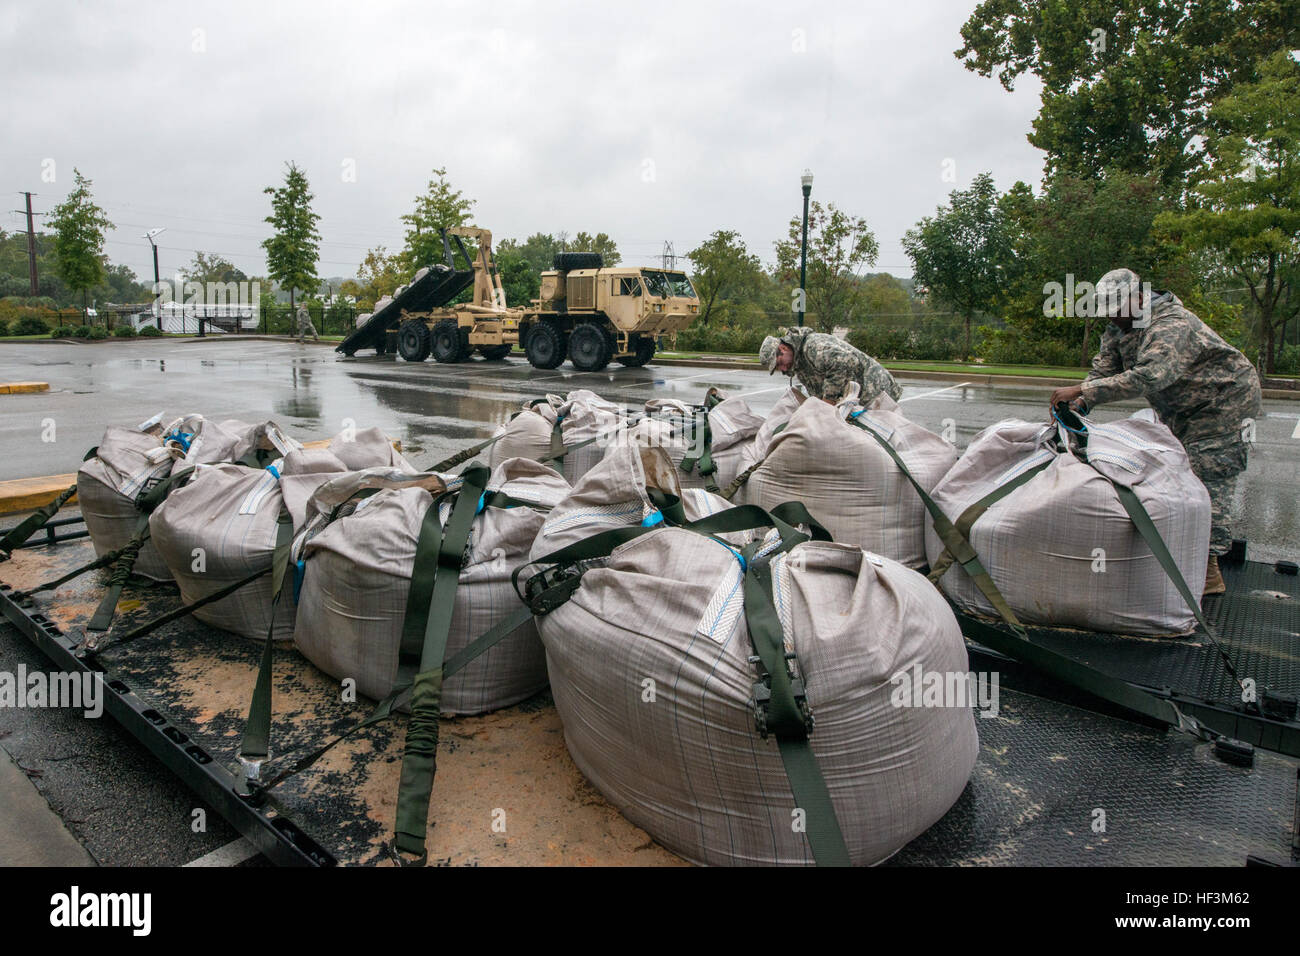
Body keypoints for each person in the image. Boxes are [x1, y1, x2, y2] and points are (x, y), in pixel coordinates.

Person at [1048, 268, 1262, 595]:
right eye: (1108, 309)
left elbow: (1150, 376)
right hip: (1181, 405)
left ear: (1139, 297)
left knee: (1209, 473)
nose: (1113, 315)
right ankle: (1183, 550)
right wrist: (1079, 404)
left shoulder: (1171, 323)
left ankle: (1208, 572)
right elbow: (1103, 371)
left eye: (1118, 307)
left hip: (1224, 400)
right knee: (1179, 469)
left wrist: (1082, 390)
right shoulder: (1118, 328)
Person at [759, 326, 901, 405]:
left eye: (780, 363)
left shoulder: (812, 346)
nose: (783, 369)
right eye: (778, 369)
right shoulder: (799, 364)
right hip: (859, 401)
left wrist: (828, 402)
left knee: (881, 443)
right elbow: (818, 393)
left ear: (783, 349)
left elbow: (844, 361)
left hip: (876, 392)